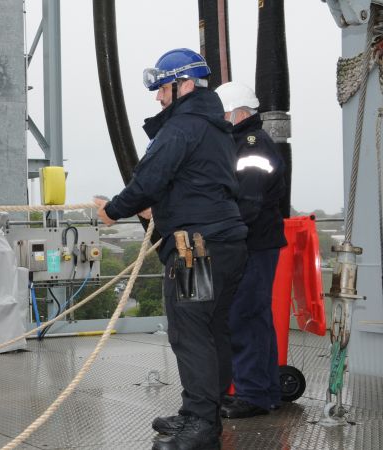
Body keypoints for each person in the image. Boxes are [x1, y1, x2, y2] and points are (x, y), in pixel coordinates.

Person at [92, 48, 247, 450]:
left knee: (191, 333)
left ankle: (201, 425)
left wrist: (112, 211)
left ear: (185, 85)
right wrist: (157, 207)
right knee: (212, 329)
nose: (159, 97)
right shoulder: (215, 127)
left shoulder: (182, 127)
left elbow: (149, 178)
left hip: (196, 248)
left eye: (163, 89)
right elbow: (194, 182)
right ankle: (201, 412)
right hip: (225, 242)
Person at [215, 81, 287, 419]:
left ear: (239, 112)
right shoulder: (242, 143)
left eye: (223, 113)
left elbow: (248, 202)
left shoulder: (253, 145)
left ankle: (253, 395)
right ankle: (265, 391)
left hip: (253, 243)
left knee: (243, 317)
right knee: (256, 318)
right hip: (256, 241)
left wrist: (220, 231)